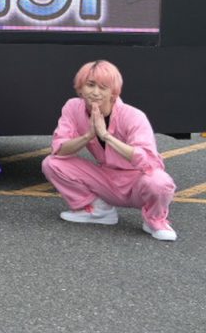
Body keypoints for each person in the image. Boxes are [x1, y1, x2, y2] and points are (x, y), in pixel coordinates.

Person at [42, 60, 177, 241]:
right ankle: (99, 210)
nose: (95, 92)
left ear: (113, 92)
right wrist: (88, 136)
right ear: (80, 88)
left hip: (137, 184)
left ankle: (155, 220)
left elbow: (151, 162)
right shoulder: (73, 107)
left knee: (160, 182)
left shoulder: (133, 116)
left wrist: (106, 136)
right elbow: (59, 149)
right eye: (90, 85)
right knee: (52, 163)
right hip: (106, 179)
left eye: (103, 87)